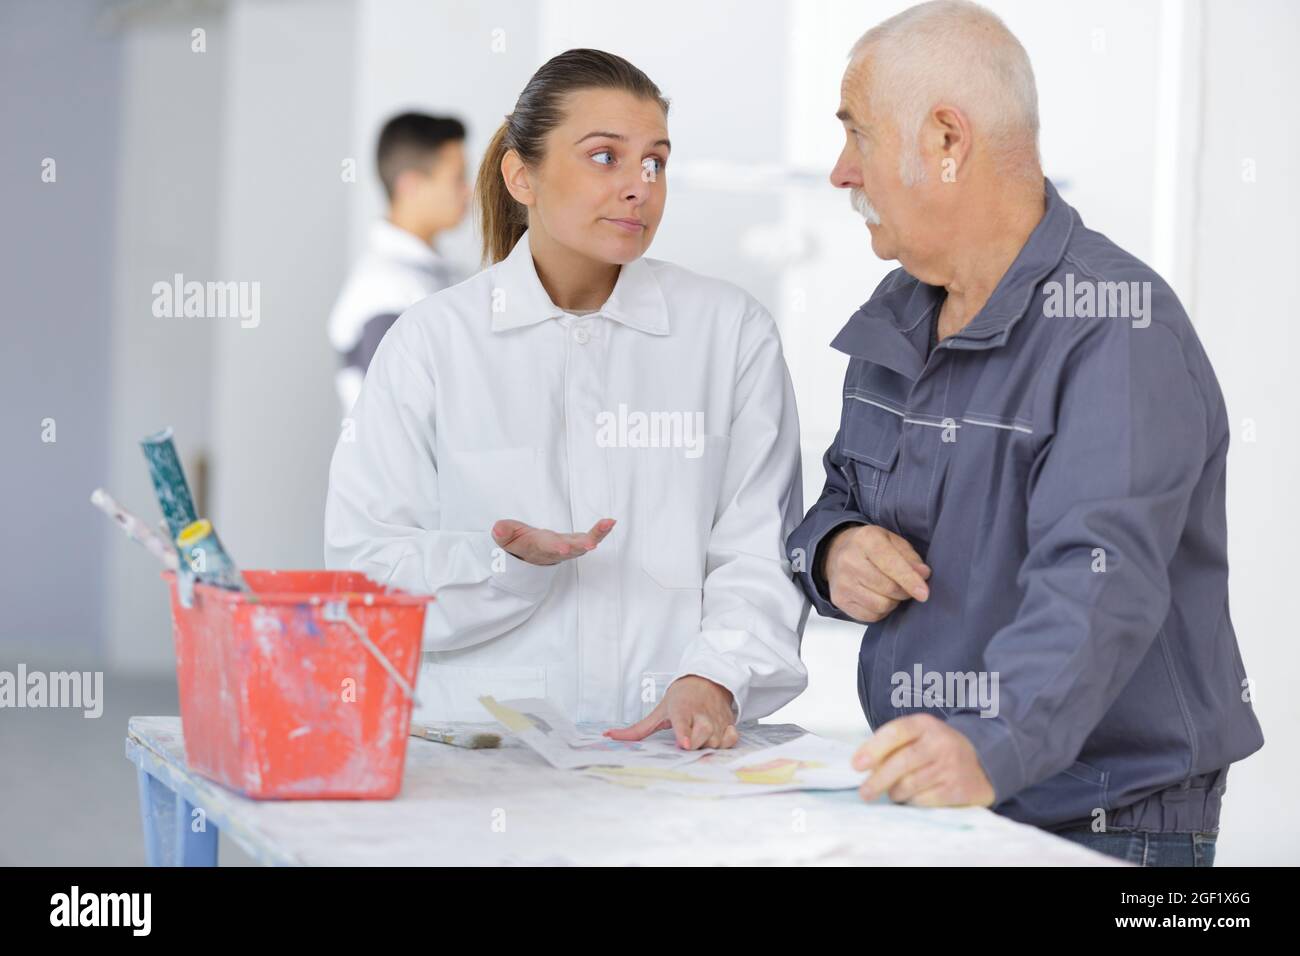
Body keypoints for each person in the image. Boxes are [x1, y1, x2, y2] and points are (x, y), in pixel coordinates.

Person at [787, 0, 1263, 865]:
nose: (839, 172)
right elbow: (837, 502)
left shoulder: (1117, 328)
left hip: (1104, 824)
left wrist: (990, 744)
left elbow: (1099, 579)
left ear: (945, 140)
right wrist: (832, 551)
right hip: (942, 798)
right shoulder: (897, 316)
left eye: (855, 134)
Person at [325, 49, 808, 749]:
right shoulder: (430, 343)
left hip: (672, 759)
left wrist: (716, 675)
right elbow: (366, 575)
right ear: (521, 175)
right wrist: (506, 567)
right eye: (605, 157)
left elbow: (759, 555)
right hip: (476, 760)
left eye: (655, 162)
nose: (640, 186)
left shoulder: (731, 335)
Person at [328, 112, 469, 412]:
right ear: (411, 186)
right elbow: (398, 412)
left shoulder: (443, 275)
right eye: (457, 179)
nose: (468, 192)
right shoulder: (383, 287)